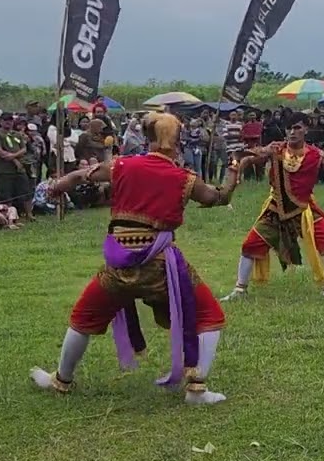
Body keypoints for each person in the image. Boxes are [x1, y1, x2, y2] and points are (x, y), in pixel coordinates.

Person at [30, 113, 242, 405]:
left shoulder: (122, 165)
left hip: (119, 264)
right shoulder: (185, 178)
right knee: (209, 317)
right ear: (177, 141)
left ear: (147, 137)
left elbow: (79, 176)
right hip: (162, 266)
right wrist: (233, 174)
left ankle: (61, 380)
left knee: (82, 318)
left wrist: (55, 187)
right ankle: (196, 390)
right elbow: (218, 197)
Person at [225, 113, 324, 300]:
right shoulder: (276, 149)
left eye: (297, 128)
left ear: (306, 129)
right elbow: (249, 158)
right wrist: (237, 171)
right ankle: (240, 289)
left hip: (304, 210)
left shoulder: (315, 154)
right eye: (289, 128)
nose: (292, 132)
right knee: (250, 245)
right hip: (276, 209)